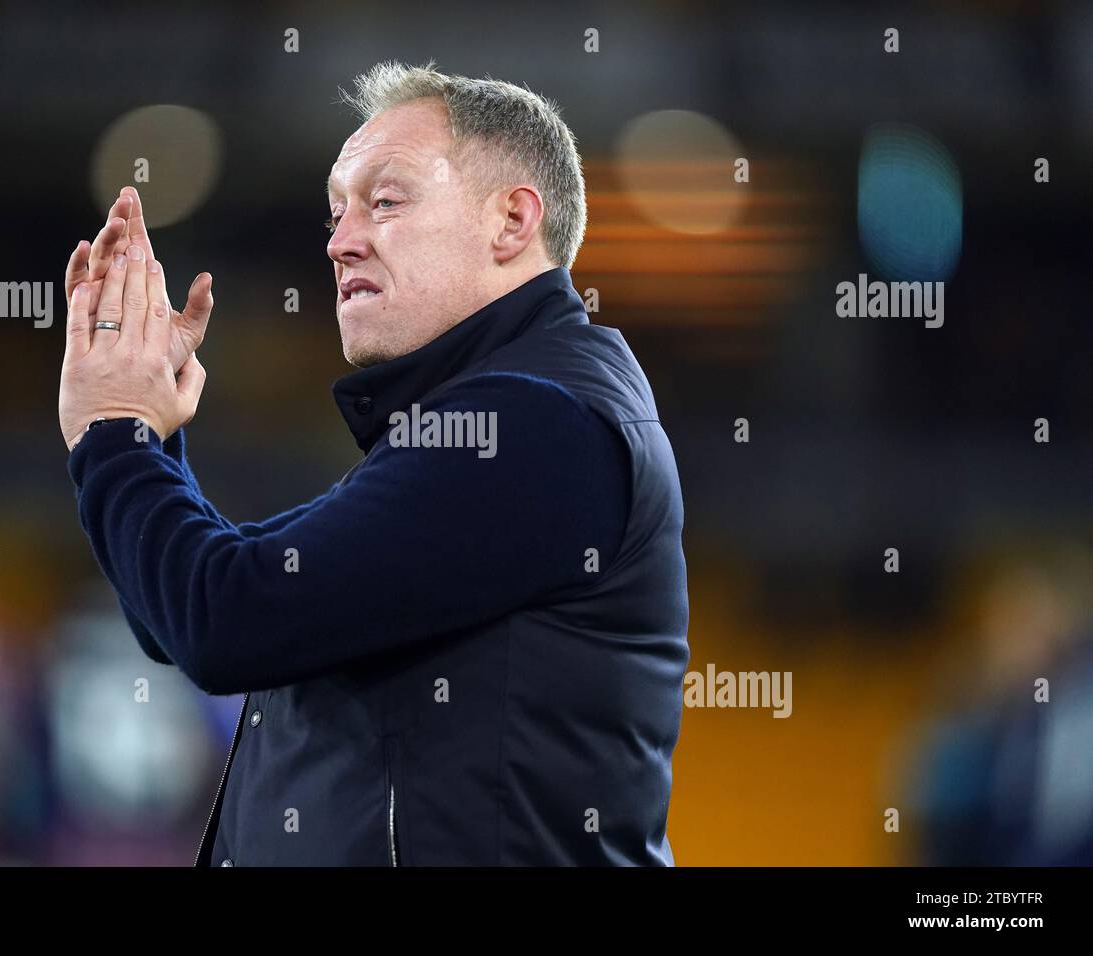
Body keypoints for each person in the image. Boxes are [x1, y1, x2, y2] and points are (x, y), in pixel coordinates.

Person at [57, 60, 689, 866]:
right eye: (335, 213)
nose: (339, 242)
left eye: (384, 202)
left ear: (511, 221)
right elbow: (182, 619)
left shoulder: (534, 423)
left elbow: (226, 621)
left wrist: (115, 431)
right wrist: (139, 433)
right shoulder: (500, 415)